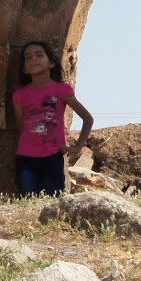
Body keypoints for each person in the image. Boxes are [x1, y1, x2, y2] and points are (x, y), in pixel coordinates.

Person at [12, 39, 93, 196]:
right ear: (24, 69)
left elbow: (87, 119)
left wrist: (77, 146)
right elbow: (21, 126)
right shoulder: (20, 96)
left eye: (39, 55)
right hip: (25, 156)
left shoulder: (62, 91)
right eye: (28, 57)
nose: (33, 59)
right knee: (27, 199)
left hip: (52, 155)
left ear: (51, 63)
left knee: (54, 198)